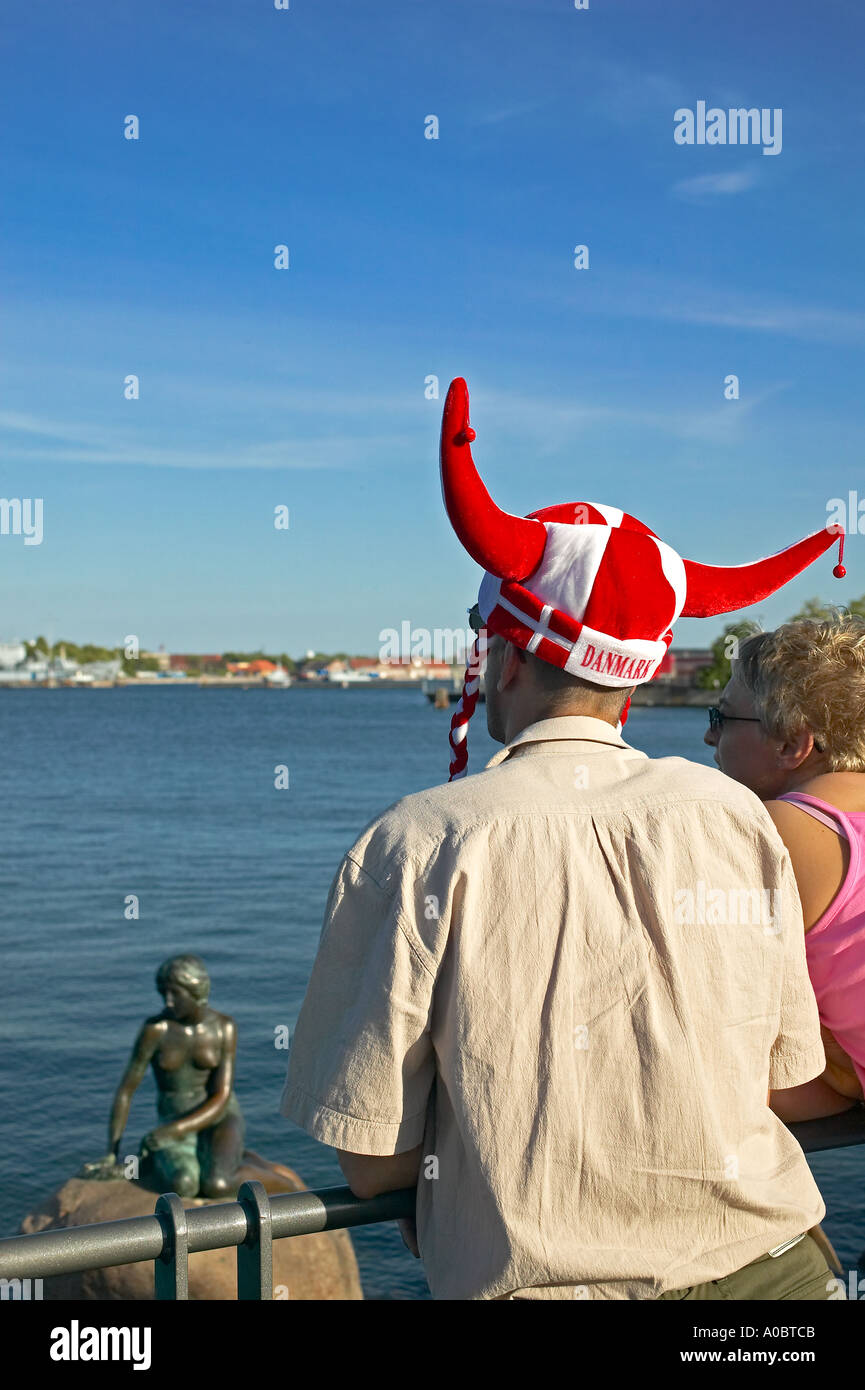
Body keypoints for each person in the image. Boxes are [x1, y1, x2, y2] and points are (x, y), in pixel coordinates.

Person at [280, 376, 847, 1299]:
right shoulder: (736, 817)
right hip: (778, 1282)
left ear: (502, 653)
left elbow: (373, 1158)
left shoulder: (418, 842)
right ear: (632, 681)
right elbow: (785, 1071)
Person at [704, 615, 865, 1123]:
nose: (709, 738)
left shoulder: (776, 831)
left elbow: (714, 1033)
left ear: (793, 743)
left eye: (721, 717)